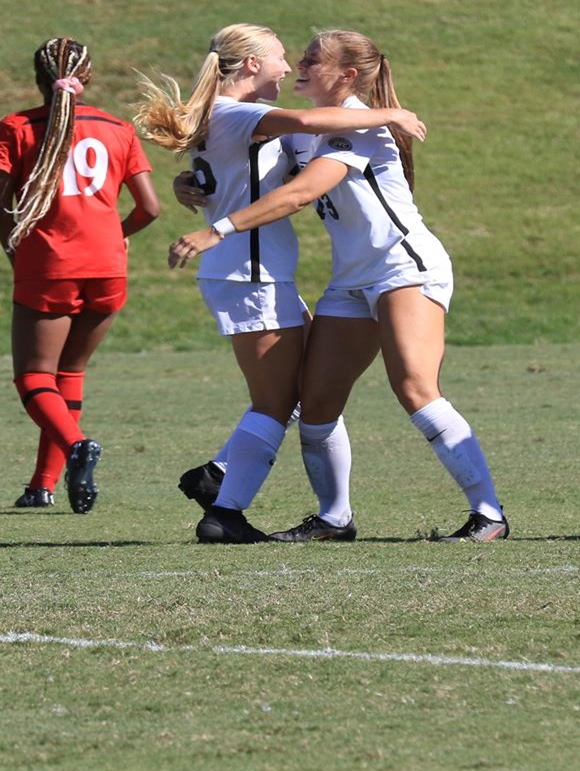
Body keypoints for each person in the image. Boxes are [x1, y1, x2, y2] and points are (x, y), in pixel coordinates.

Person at [168, 30, 509, 543]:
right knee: (316, 403)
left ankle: (489, 515)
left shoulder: (358, 126)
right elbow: (243, 167)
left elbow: (302, 192)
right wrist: (189, 183)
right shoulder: (305, 130)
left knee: (415, 389)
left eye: (311, 59)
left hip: (404, 267)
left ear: (347, 75)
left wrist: (217, 229)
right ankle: (334, 519)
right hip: (350, 280)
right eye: (297, 57)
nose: (298, 65)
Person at [134, 24, 428, 544]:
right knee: (278, 403)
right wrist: (389, 113)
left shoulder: (220, 113)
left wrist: (189, 187)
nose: (288, 67)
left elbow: (219, 175)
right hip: (249, 272)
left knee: (308, 393)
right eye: (278, 57)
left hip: (252, 272)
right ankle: (225, 507)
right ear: (250, 65)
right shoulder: (240, 111)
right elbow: (311, 119)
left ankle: (280, 497)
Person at [0, 37, 161, 512]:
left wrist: (15, 254)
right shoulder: (118, 128)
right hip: (107, 267)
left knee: (34, 377)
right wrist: (117, 234)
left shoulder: (17, 126)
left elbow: (2, 208)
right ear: (89, 79)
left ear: (38, 79)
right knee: (70, 374)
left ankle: (76, 445)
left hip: (49, 264)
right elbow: (150, 208)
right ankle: (42, 485)